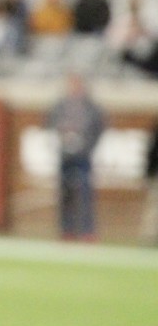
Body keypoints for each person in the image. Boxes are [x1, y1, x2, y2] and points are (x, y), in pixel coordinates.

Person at [46, 72, 105, 241]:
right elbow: (51, 125)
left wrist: (87, 147)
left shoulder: (91, 107)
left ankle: (87, 231)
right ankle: (67, 230)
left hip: (83, 155)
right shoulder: (61, 105)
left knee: (85, 193)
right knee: (65, 195)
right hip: (65, 155)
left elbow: (98, 129)